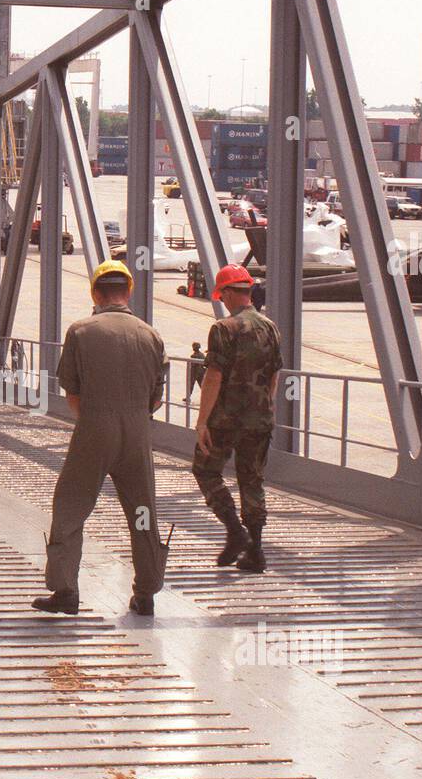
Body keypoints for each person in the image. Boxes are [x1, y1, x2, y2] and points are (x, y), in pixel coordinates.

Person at [34, 260, 169, 617]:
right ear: (129, 291)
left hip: (95, 427)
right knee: (142, 511)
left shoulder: (81, 331)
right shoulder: (150, 334)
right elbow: (157, 397)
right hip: (138, 432)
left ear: (95, 293)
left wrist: (95, 423)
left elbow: (72, 391)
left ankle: (65, 590)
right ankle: (146, 593)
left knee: (71, 508)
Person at [192, 263, 283, 573]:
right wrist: (265, 408)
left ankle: (234, 531)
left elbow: (214, 376)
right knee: (252, 480)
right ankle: (256, 552)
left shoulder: (223, 328)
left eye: (222, 295)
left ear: (229, 293)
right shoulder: (270, 327)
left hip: (225, 420)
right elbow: (274, 375)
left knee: (205, 469)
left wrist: (202, 421)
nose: (222, 301)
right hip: (260, 420)